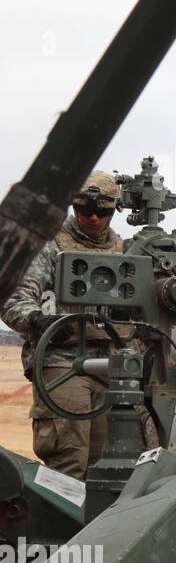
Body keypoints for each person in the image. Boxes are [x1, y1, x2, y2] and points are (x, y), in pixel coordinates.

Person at [1, 171, 124, 479]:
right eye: (85, 209)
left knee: (113, 467)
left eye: (103, 210)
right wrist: (39, 320)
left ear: (114, 209)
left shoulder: (125, 249)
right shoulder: (50, 244)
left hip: (115, 367)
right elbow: (13, 298)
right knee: (68, 466)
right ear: (73, 205)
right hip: (63, 364)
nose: (93, 217)